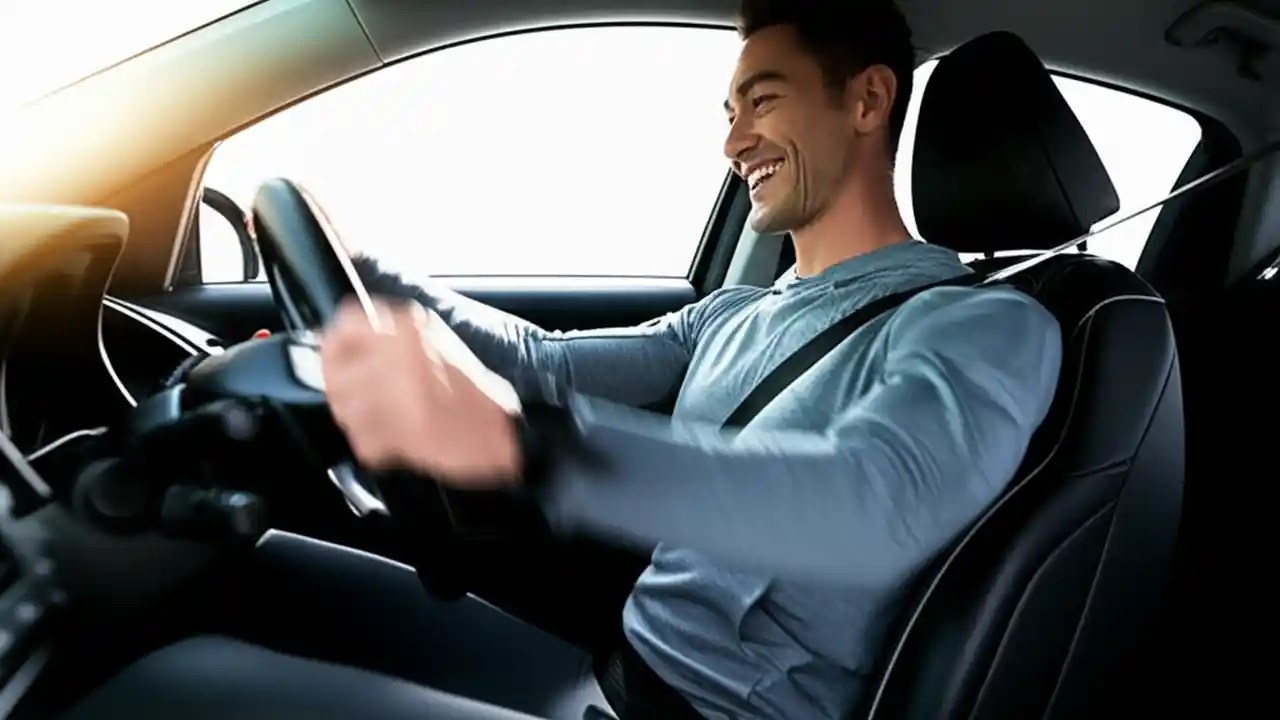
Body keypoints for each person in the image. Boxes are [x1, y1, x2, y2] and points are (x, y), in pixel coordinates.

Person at [65, 2, 1061, 719]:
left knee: (160, 689)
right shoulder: (738, 314)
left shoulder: (984, 328)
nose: (733, 142)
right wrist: (363, 271)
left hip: (706, 707)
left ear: (865, 100)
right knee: (228, 574)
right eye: (727, 113)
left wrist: (527, 448)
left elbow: (872, 501)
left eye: (762, 101)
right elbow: (541, 361)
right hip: (621, 667)